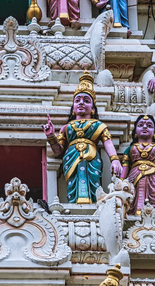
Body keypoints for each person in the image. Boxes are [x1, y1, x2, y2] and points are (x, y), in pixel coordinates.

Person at [44, 71, 122, 204]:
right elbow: (58, 151)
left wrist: (114, 160)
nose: (81, 103)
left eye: (86, 101)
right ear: (73, 108)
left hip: (92, 157)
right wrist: (51, 136)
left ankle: (92, 203)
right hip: (71, 157)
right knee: (73, 183)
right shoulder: (66, 127)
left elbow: (108, 142)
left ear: (92, 108)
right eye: (77, 100)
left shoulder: (99, 125)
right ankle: (75, 204)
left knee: (93, 181)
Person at [120, 115, 155, 214]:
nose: (145, 127)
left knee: (151, 198)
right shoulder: (130, 149)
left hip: (152, 176)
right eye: (141, 125)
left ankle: (150, 217)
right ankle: (134, 215)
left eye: (149, 126)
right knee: (133, 197)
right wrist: (119, 182)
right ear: (135, 133)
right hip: (134, 175)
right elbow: (125, 168)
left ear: (154, 133)